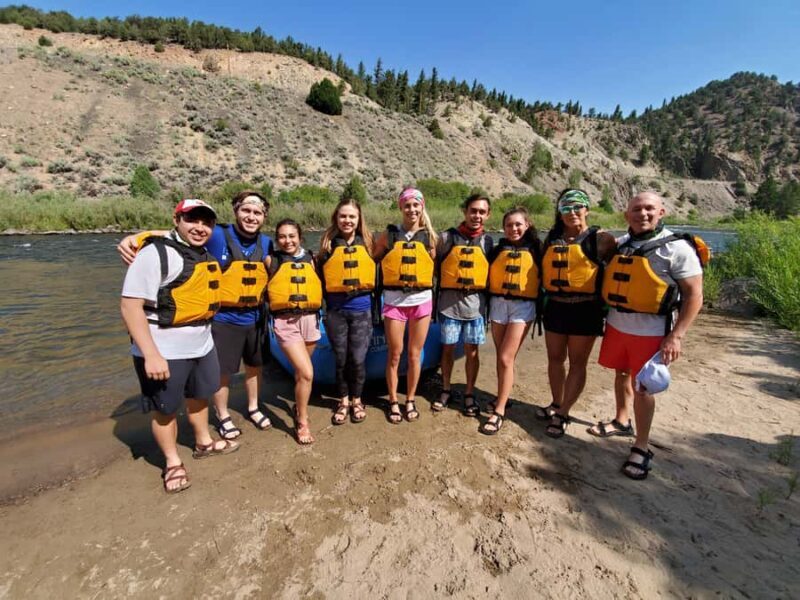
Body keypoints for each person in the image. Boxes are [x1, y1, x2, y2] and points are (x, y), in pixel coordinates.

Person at [117, 191, 274, 441]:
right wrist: (136, 238)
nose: (251, 217)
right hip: (223, 318)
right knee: (223, 372)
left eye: (257, 213)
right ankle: (223, 415)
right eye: (246, 210)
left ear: (264, 217)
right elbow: (178, 235)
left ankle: (253, 407)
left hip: (254, 318)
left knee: (254, 367)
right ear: (236, 211)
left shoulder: (266, 243)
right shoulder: (217, 235)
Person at [120, 199, 239, 494]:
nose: (199, 227)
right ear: (177, 220)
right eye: (192, 220)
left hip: (201, 343)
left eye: (206, 222)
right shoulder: (154, 254)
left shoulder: (203, 252)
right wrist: (150, 355)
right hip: (163, 349)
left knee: (200, 395)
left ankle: (203, 442)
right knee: (166, 410)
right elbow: (130, 306)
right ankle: (172, 462)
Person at [598, 191, 704, 480]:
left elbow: (694, 296)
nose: (642, 214)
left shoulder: (678, 249)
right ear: (626, 214)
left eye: (648, 209)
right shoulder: (622, 244)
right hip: (619, 325)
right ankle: (621, 420)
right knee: (621, 374)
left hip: (654, 331)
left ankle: (641, 447)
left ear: (661, 212)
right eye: (636, 209)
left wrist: (677, 336)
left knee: (644, 388)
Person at [537, 189, 617, 439]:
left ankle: (563, 412)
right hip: (556, 306)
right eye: (565, 208)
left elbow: (618, 271)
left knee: (577, 363)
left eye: (577, 207)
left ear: (586, 209)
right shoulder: (551, 239)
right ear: (559, 213)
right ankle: (556, 402)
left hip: (586, 308)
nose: (571, 212)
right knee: (554, 358)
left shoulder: (602, 240)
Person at [373, 186, 438, 424]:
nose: (411, 209)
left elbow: (435, 266)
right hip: (394, 302)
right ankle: (392, 400)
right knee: (394, 354)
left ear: (422, 207)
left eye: (416, 205)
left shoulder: (430, 237)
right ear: (400, 206)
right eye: (407, 205)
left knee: (414, 354)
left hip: (421, 302)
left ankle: (409, 399)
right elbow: (372, 259)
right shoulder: (389, 235)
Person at [479, 207, 540, 435]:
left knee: (506, 357)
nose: (513, 229)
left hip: (523, 306)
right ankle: (502, 396)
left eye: (518, 224)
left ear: (527, 225)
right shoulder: (497, 249)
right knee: (503, 357)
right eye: (509, 225)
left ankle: (500, 410)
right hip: (498, 304)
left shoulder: (538, 248)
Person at [432, 194, 493, 417]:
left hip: (475, 308)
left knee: (472, 352)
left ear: (488, 215)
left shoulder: (488, 242)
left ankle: (469, 394)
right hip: (449, 306)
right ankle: (446, 389)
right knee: (447, 349)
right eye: (473, 210)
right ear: (465, 212)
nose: (477, 215)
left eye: (481, 212)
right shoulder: (446, 237)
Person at [317, 198, 376, 425]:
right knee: (341, 359)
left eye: (352, 216)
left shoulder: (369, 243)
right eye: (343, 216)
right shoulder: (327, 244)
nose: (347, 220)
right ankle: (343, 401)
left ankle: (357, 400)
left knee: (358, 360)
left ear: (359, 219)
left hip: (362, 312)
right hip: (336, 312)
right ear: (336, 218)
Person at [266, 219, 322, 444]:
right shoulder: (271, 260)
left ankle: (299, 408)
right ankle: (302, 421)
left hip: (310, 321)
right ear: (276, 239)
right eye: (282, 236)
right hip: (285, 323)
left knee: (301, 375)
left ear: (300, 237)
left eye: (291, 236)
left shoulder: (312, 259)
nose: (287, 241)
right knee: (307, 373)